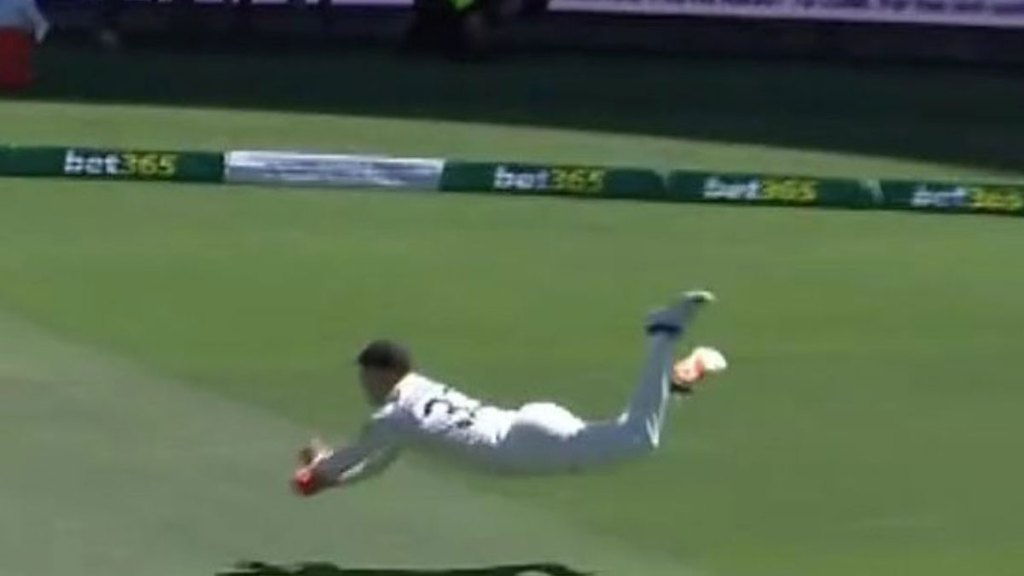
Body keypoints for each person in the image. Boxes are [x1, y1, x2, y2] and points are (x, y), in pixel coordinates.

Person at [292, 291, 728, 495]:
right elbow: (376, 463)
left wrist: (316, 472)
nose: (363, 384)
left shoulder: (391, 419)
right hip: (528, 425)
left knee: (638, 441)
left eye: (365, 375)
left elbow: (348, 460)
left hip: (523, 446)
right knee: (626, 436)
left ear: (383, 372)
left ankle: (663, 335)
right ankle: (672, 382)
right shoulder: (415, 399)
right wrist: (327, 475)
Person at [0, 0, 49, 91]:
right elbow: (42, 23)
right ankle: (18, 79)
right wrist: (38, 40)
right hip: (18, 38)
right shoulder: (25, 2)